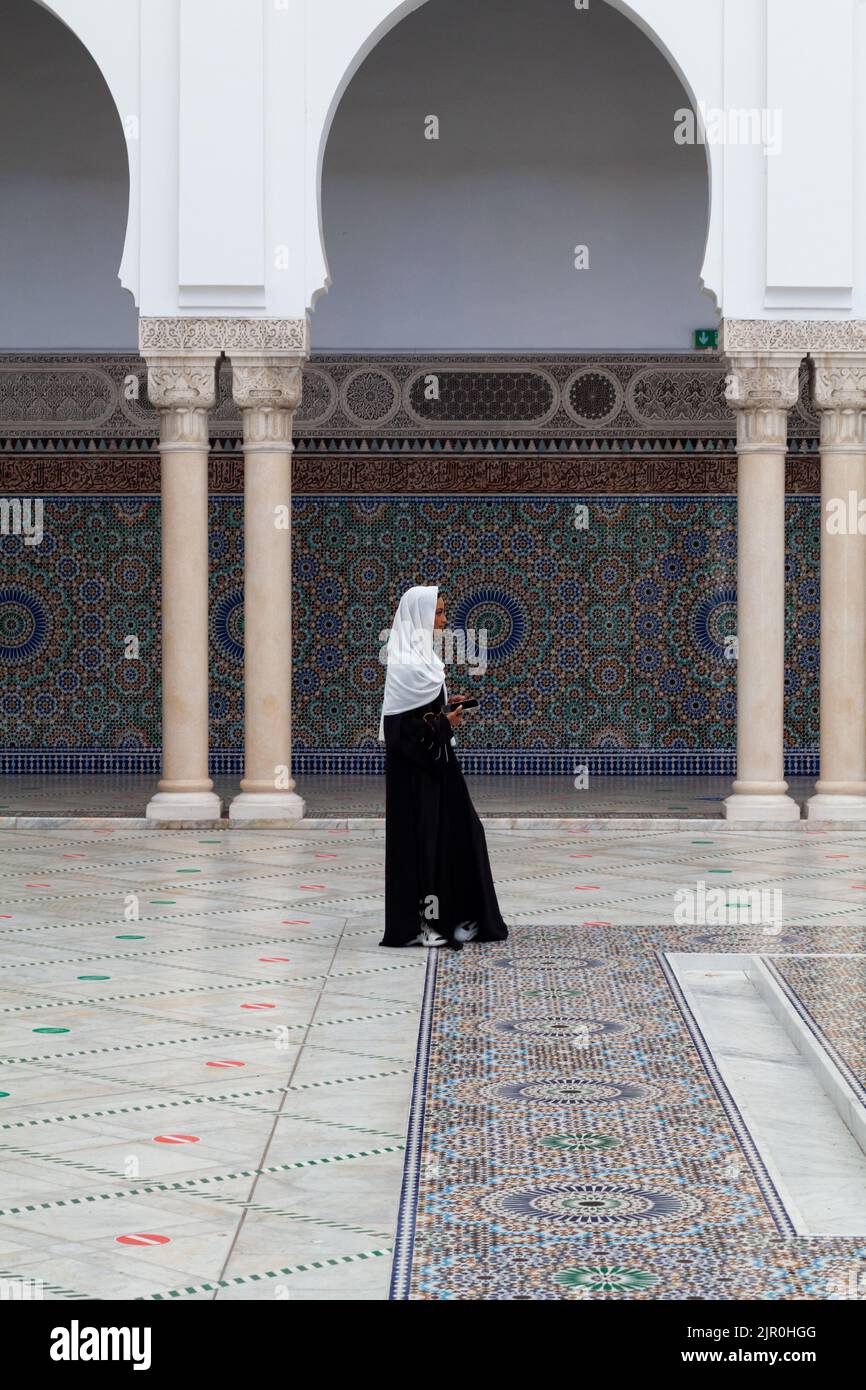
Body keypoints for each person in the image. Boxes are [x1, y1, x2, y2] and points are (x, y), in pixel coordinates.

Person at [378, 584, 509, 950]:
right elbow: (399, 733)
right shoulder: (404, 665)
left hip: (440, 768)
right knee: (423, 845)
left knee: (462, 833)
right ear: (418, 618)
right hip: (414, 777)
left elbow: (426, 715)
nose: (443, 619)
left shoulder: (427, 661)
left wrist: (450, 708)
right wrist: (444, 722)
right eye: (437, 613)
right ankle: (422, 925)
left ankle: (460, 917)